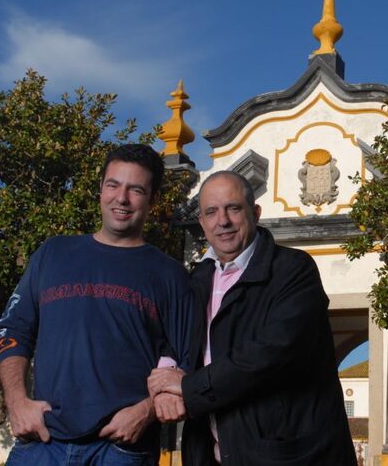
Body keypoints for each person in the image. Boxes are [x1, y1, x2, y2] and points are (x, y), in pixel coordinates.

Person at [0, 144, 193, 465]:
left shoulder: (170, 275)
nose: (121, 198)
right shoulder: (53, 254)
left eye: (136, 190)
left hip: (121, 447)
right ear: (101, 188)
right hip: (42, 443)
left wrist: (146, 412)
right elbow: (11, 329)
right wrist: (16, 402)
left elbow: (189, 363)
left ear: (153, 200)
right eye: (113, 185)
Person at [148, 171, 357, 466]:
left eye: (233, 208)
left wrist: (186, 388)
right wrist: (164, 384)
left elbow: (270, 354)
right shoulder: (196, 279)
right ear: (202, 223)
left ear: (255, 213)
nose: (223, 221)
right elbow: (173, 337)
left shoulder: (294, 271)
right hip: (212, 454)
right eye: (211, 212)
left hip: (286, 456)